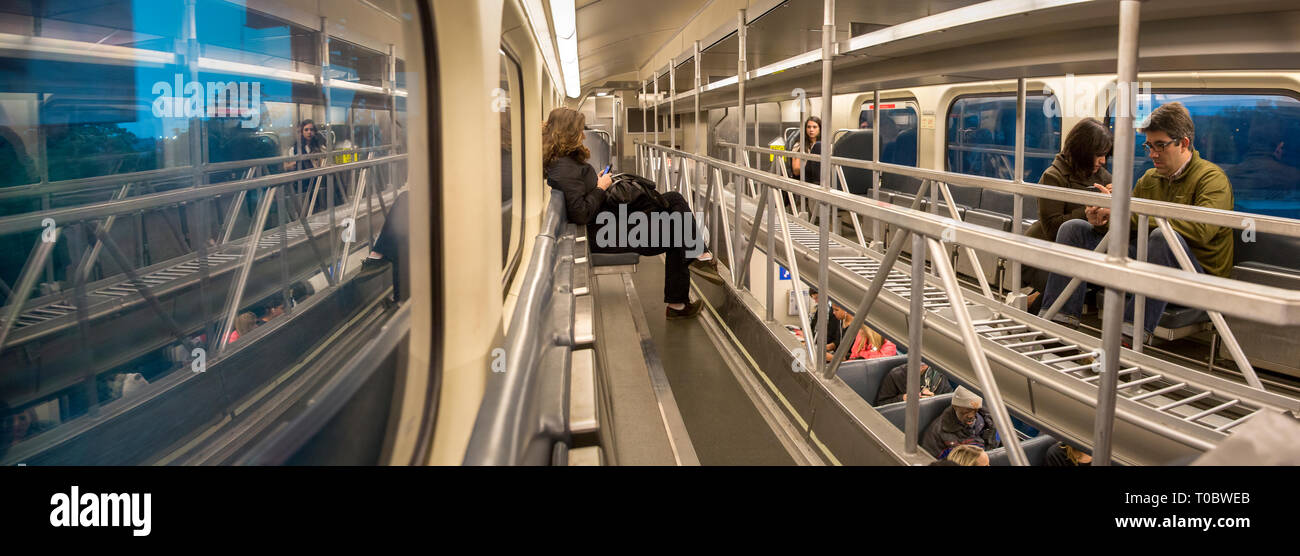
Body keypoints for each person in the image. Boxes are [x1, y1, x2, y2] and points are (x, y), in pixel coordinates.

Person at [1037, 102, 1234, 342]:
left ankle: (1126, 339)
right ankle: (1059, 327)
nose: (1152, 154)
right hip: (1150, 260)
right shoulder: (1150, 178)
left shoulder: (1212, 180)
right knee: (1074, 229)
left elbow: (1202, 230)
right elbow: (1127, 223)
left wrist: (1127, 215)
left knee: (1163, 237)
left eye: (1160, 146)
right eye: (1149, 146)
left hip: (1195, 274)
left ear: (1183, 143)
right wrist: (1103, 219)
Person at [543, 107, 719, 319]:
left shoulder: (565, 162)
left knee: (673, 200)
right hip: (606, 234)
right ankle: (689, 279)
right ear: (569, 133)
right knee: (678, 230)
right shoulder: (565, 168)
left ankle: (695, 263)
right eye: (579, 130)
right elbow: (581, 213)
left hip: (609, 223)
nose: (583, 134)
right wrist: (600, 187)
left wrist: (598, 184)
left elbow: (580, 197)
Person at [1023, 118, 1114, 313]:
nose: (1103, 161)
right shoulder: (1053, 176)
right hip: (1045, 253)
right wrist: (1090, 207)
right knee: (1072, 277)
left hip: (1083, 253)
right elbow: (1053, 229)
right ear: (1083, 151)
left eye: (1105, 155)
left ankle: (1037, 306)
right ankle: (1042, 314)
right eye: (1098, 155)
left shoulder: (1103, 176)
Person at [920, 385, 1001, 458]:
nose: (971, 416)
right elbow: (929, 460)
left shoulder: (991, 423)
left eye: (975, 411)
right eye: (966, 411)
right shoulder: (936, 433)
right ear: (955, 407)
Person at [875, 362, 954, 405]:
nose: (921, 366)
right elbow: (881, 404)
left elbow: (949, 401)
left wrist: (933, 399)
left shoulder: (938, 374)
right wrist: (903, 398)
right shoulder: (895, 375)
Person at [809, 287, 842, 352]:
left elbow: (834, 336)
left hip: (827, 346)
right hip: (817, 344)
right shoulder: (820, 308)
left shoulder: (834, 311)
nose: (816, 301)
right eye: (814, 299)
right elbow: (813, 326)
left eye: (817, 298)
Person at [789, 116, 821, 184]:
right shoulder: (799, 145)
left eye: (814, 127)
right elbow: (796, 171)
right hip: (805, 179)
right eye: (808, 127)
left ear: (820, 129)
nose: (811, 130)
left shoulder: (824, 146)